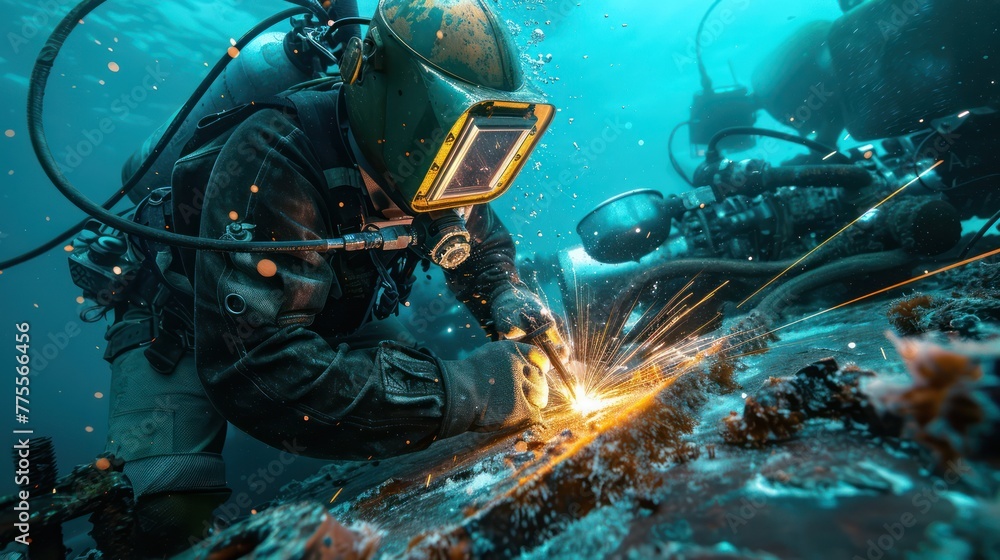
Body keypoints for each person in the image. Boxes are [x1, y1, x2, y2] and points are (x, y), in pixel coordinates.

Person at [101, 0, 557, 555]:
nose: (471, 175)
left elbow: (479, 243)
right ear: (409, 110)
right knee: (166, 517)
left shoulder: (446, 154)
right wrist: (466, 390)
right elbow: (256, 371)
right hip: (187, 329)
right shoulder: (272, 157)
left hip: (324, 314)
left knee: (432, 441)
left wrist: (506, 293)